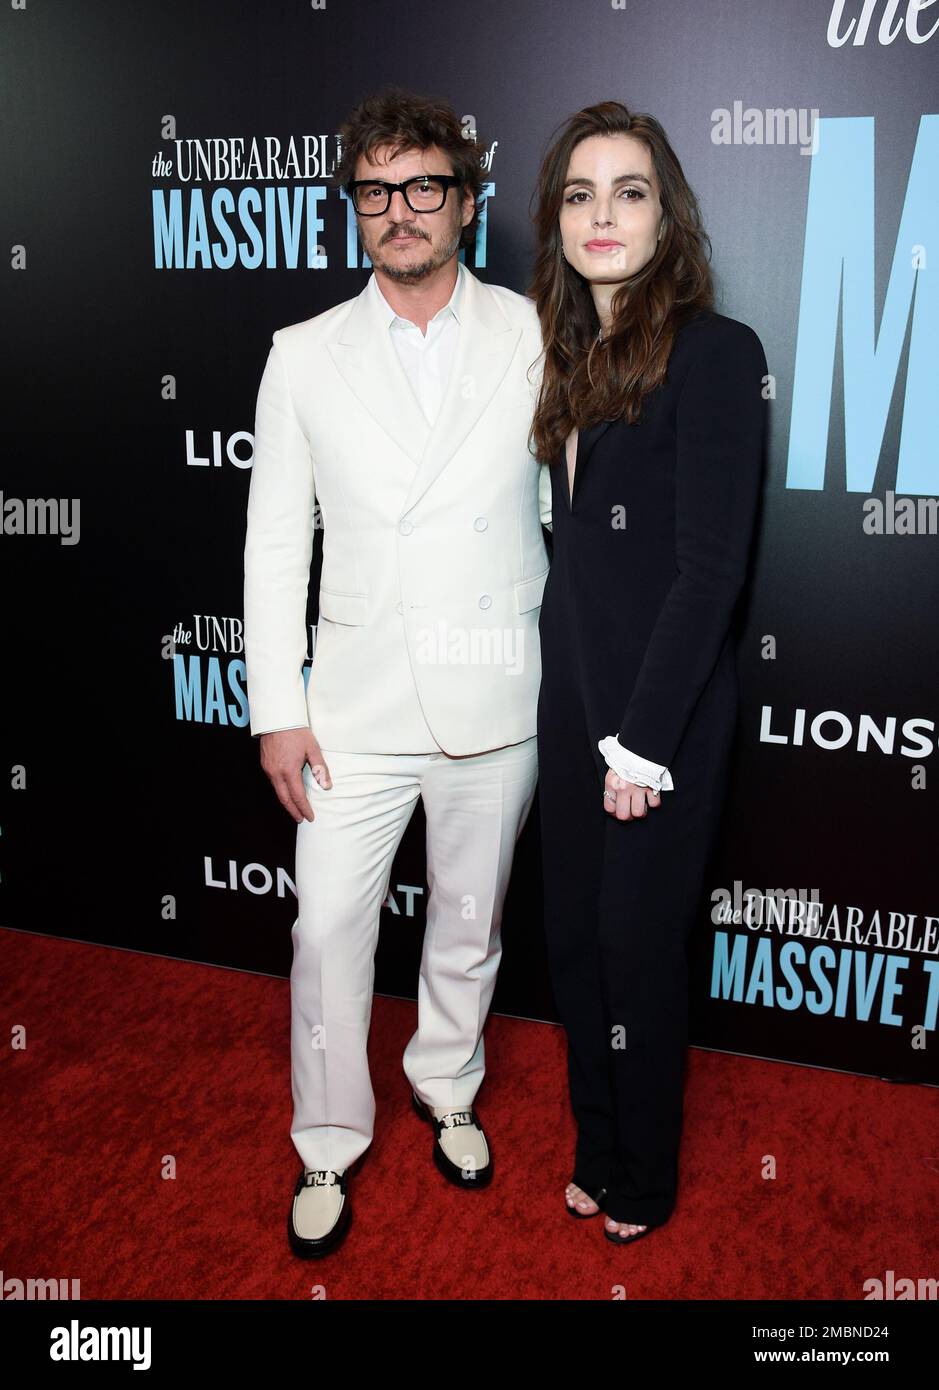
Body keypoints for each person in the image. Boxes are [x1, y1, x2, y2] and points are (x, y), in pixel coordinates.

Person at [243, 87, 548, 1258]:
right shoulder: (302, 355)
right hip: (354, 709)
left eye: (423, 186)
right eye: (375, 191)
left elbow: (560, 506)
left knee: (467, 920)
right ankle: (326, 1136)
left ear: (463, 203)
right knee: (326, 929)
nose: (399, 210)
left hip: (494, 685)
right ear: (355, 209)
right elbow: (277, 543)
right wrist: (278, 710)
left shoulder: (529, 331)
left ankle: (448, 1079)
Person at [530, 102, 768, 1244]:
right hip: (570, 705)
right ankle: (596, 1145)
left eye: (629, 190)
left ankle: (646, 1179)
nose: (603, 214)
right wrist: (573, 722)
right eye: (580, 194)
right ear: (559, 223)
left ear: (665, 213)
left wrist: (642, 742)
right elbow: (577, 567)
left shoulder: (718, 354)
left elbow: (712, 568)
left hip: (657, 720)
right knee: (573, 940)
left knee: (634, 947)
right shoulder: (567, 361)